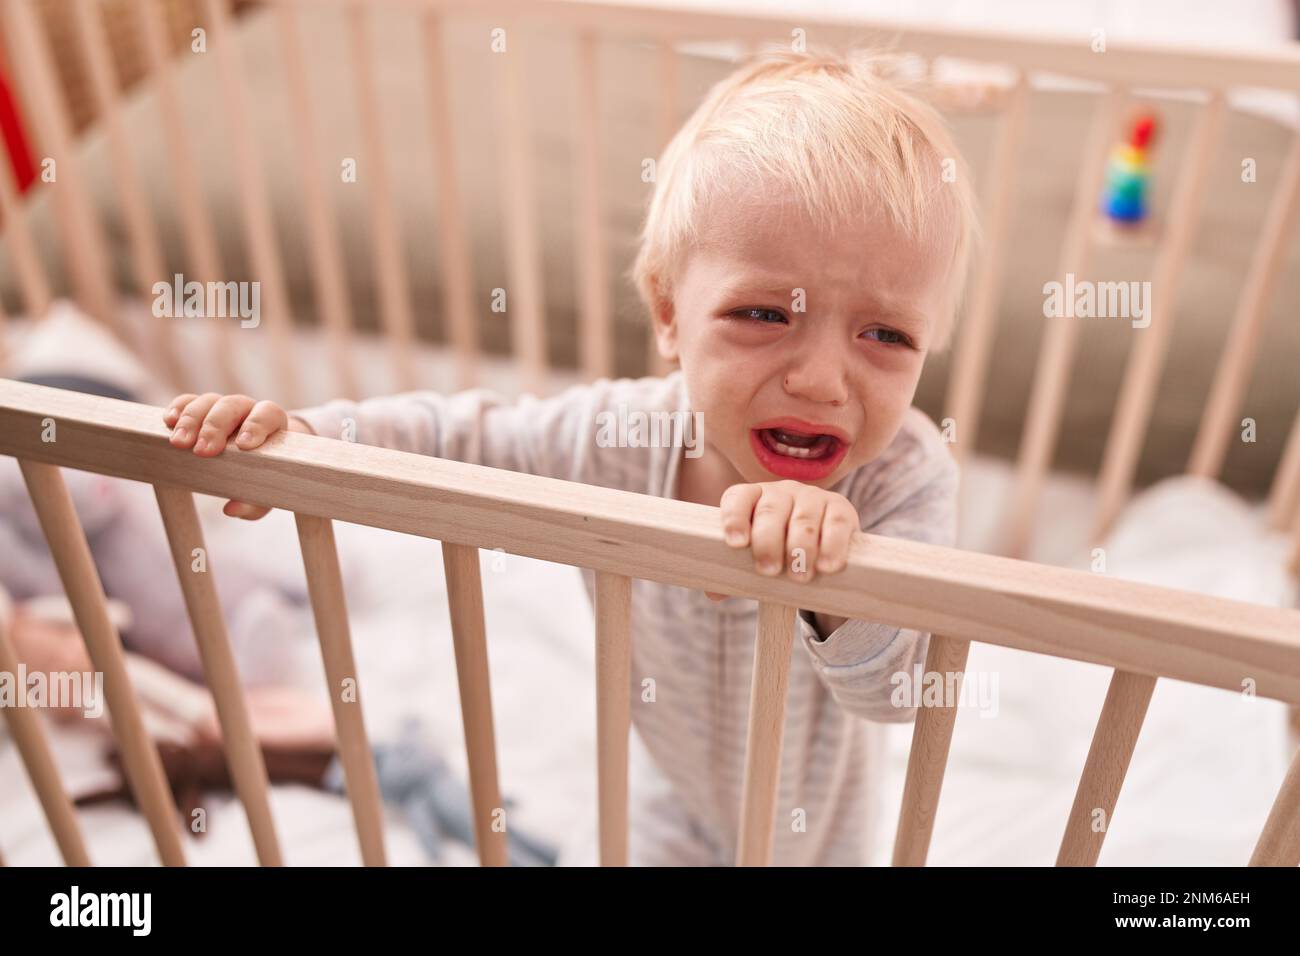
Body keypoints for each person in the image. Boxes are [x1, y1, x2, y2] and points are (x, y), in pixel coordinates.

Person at [162, 49, 977, 865]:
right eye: (764, 313)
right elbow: (464, 437)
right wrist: (307, 435)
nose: (821, 379)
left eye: (885, 335)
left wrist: (838, 573)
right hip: (659, 812)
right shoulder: (621, 438)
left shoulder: (899, 478)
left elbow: (901, 694)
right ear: (668, 316)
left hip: (817, 842)